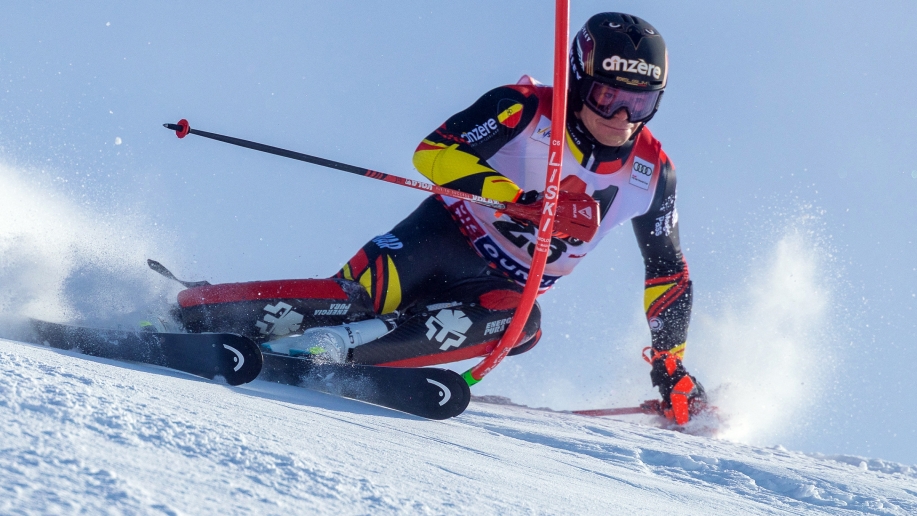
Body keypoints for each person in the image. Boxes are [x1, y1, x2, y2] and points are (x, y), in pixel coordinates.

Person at [183, 12, 707, 425]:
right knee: (355, 299)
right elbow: (433, 152)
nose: (620, 117)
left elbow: (668, 272)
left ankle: (332, 352)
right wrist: (518, 198)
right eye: (608, 95)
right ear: (578, 80)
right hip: (438, 238)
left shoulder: (652, 174)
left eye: (639, 103)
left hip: (502, 287)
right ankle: (195, 308)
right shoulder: (522, 108)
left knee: (523, 326)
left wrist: (669, 363)